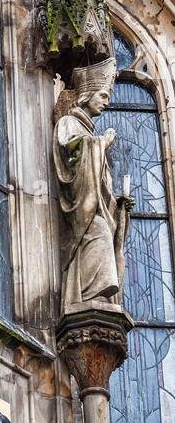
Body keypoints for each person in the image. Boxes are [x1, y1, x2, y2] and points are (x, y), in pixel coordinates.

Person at [53, 57, 132, 311]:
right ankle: (87, 296)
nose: (107, 101)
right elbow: (70, 157)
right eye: (104, 95)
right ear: (87, 95)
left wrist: (118, 205)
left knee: (104, 230)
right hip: (83, 208)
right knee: (97, 230)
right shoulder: (69, 123)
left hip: (97, 206)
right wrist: (100, 144)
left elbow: (100, 184)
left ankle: (98, 300)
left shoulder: (88, 130)